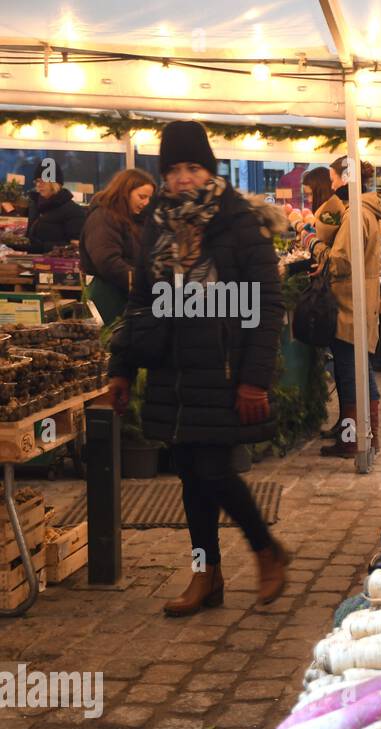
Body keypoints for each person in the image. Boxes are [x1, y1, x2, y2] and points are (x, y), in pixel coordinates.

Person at [106, 120, 288, 616]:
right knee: (189, 475)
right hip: (172, 372)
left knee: (213, 469)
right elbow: (142, 300)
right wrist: (121, 367)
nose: (184, 178)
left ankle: (264, 547)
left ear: (209, 170)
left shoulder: (237, 222)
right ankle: (206, 574)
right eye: (174, 170)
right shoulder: (157, 226)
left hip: (224, 372)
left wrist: (254, 379)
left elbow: (266, 304)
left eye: (193, 167)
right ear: (162, 176)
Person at [306, 156, 381, 458]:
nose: (331, 184)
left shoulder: (355, 215)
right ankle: (355, 432)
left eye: (333, 177)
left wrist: (314, 243)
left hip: (350, 303)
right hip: (358, 299)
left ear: (344, 179)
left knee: (352, 372)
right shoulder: (363, 211)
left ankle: (355, 441)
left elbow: (341, 262)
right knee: (354, 370)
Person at [79, 168, 155, 323]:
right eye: (142, 196)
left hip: (129, 295)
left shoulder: (136, 220)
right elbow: (106, 260)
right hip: (108, 297)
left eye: (149, 198)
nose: (146, 203)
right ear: (124, 192)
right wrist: (142, 283)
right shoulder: (103, 216)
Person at [26, 160, 87, 253]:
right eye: (37, 181)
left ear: (55, 184)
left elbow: (75, 246)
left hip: (57, 264)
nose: (38, 185)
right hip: (30, 261)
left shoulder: (74, 211)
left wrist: (43, 247)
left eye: (43, 181)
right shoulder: (36, 205)